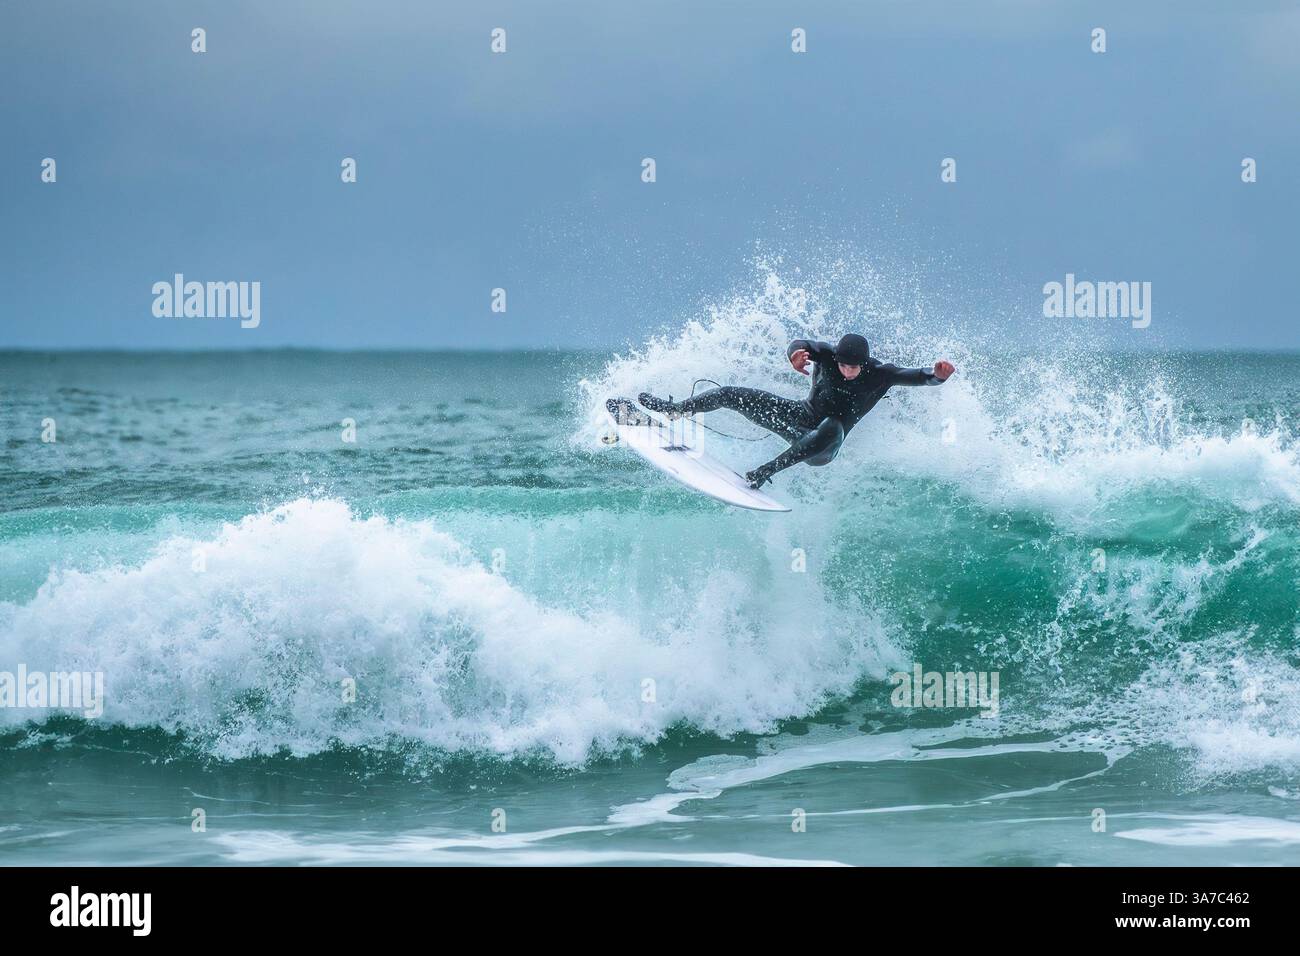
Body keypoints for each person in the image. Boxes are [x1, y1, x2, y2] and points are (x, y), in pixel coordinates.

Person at [639, 333, 955, 488]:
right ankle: (676, 410)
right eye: (843, 365)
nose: (846, 371)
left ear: (863, 364)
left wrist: (936, 376)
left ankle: (765, 472)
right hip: (797, 421)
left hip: (824, 447)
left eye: (852, 367)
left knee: (833, 425)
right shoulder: (828, 356)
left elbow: (920, 377)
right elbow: (801, 343)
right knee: (734, 394)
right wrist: (795, 355)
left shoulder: (881, 373)